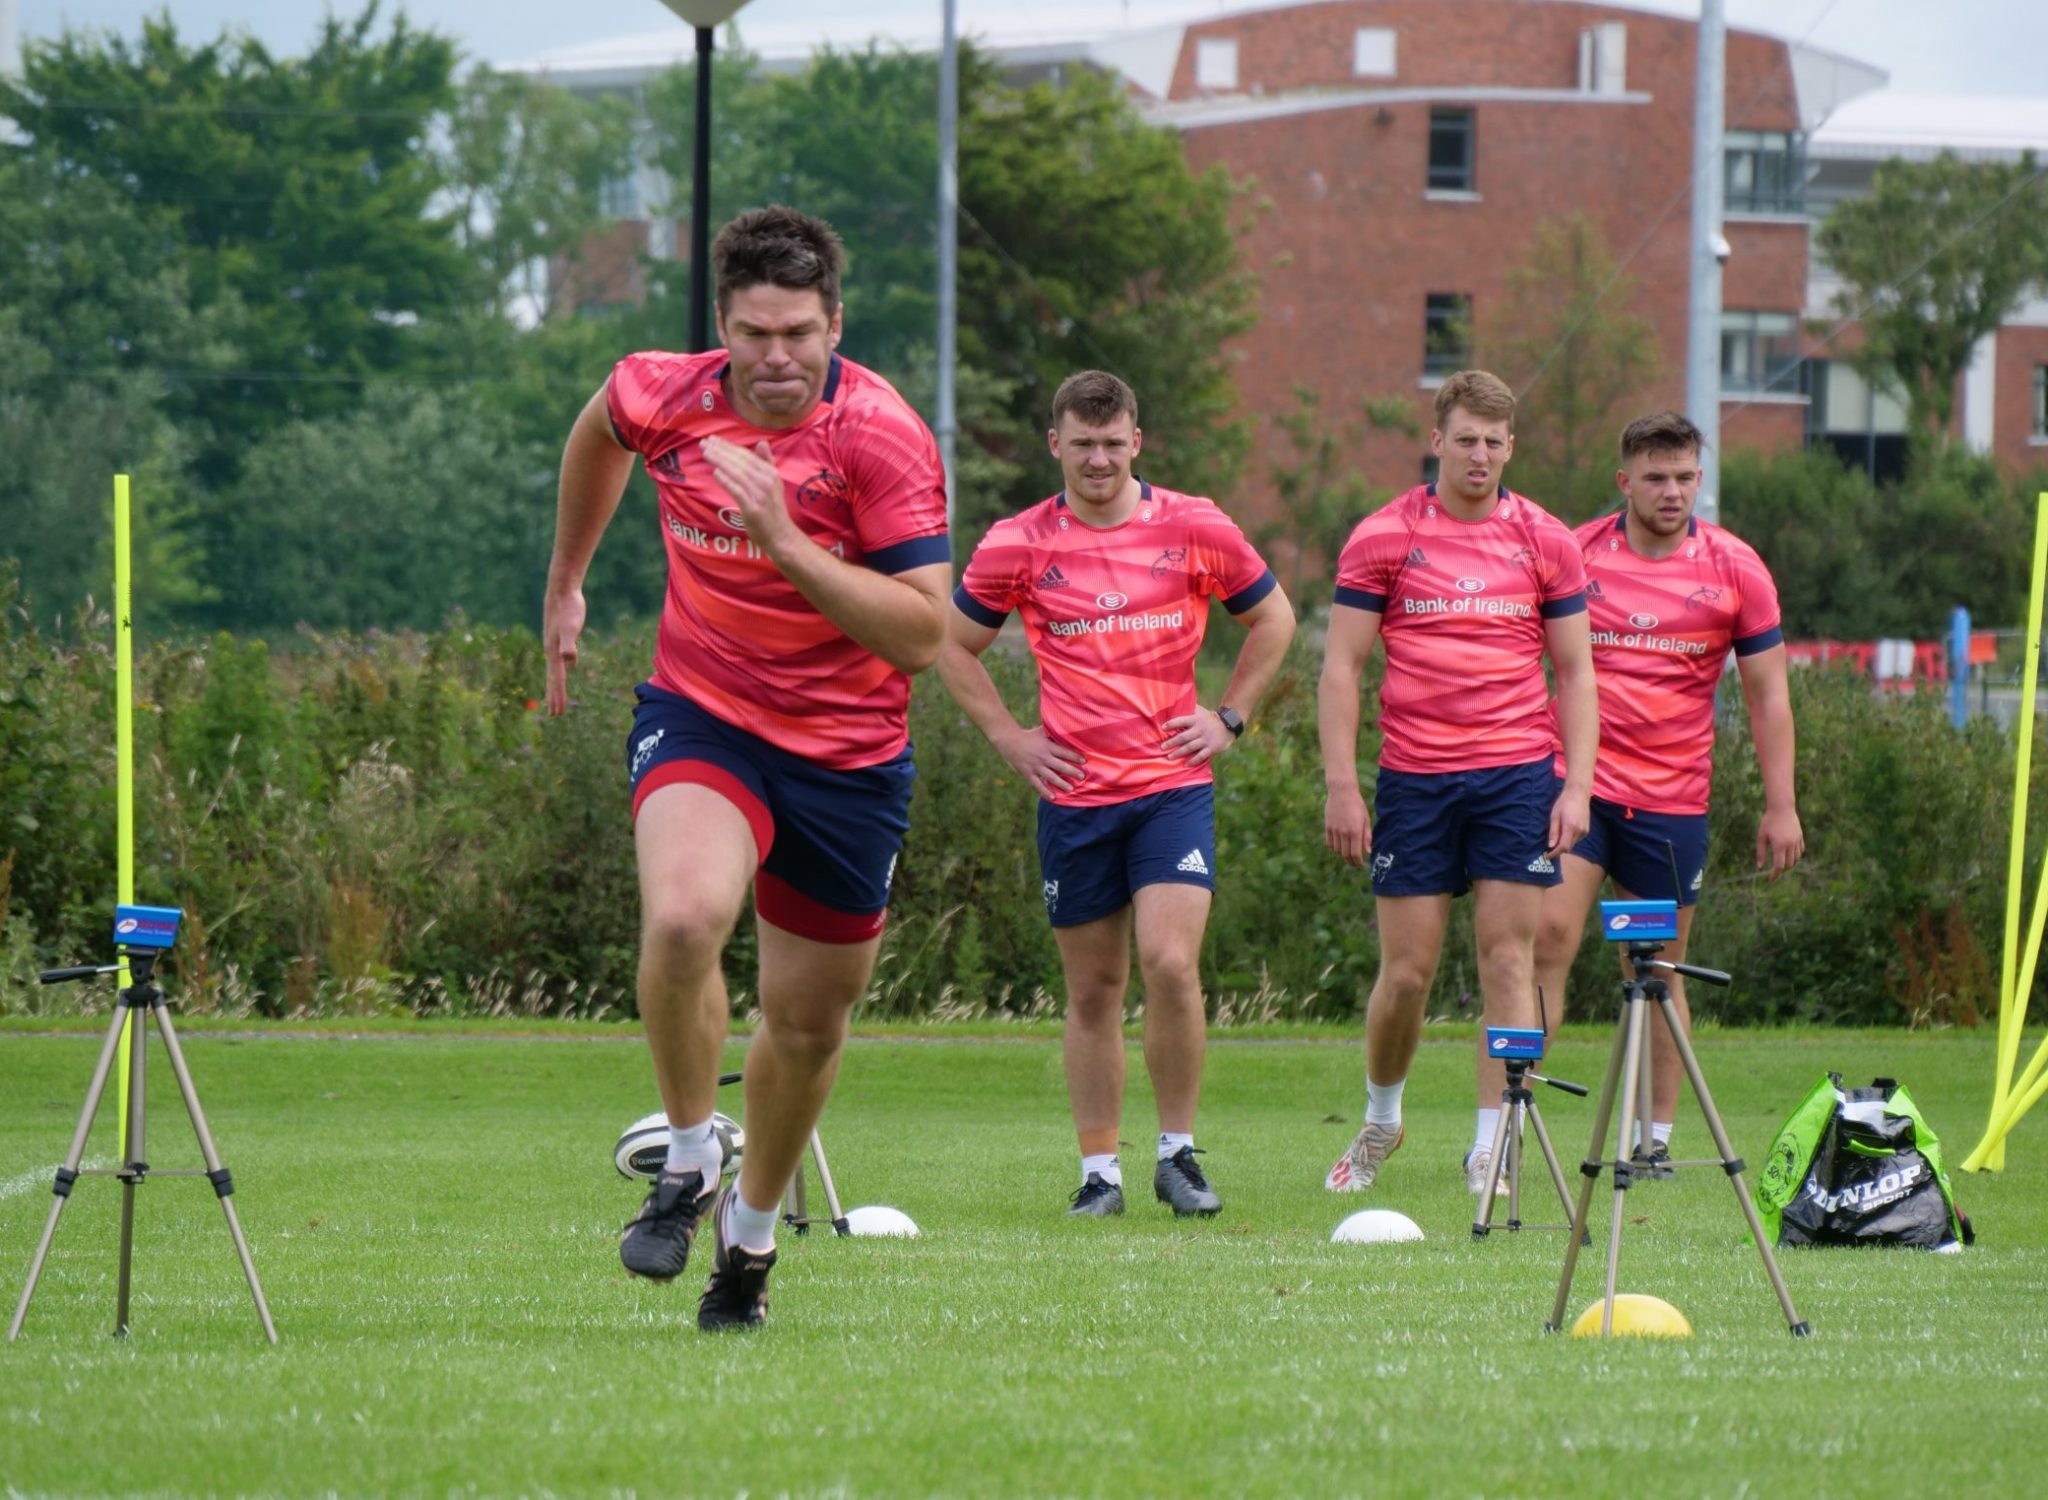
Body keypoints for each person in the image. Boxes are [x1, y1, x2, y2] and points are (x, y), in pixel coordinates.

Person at [542, 207, 950, 1330]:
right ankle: (684, 1158)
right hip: (704, 714)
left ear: (835, 325)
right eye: (755, 333)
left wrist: (785, 539)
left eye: (800, 334)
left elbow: (921, 635)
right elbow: (595, 434)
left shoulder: (882, 437)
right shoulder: (662, 392)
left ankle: (749, 1247)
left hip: (848, 759)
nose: (777, 358)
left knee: (807, 1024)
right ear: (721, 324)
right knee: (682, 920)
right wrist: (567, 579)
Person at [938, 370, 1295, 1218]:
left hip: (1172, 789)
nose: (1097, 458)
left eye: (1112, 442)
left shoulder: (1194, 525)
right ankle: (1101, 1174)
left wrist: (1231, 717)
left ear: (1137, 442)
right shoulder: (1017, 542)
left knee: (1171, 965)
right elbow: (950, 646)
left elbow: (1275, 619)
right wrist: (1008, 735)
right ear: (1054, 444)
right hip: (1075, 796)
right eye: (1081, 443)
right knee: (1094, 992)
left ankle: (1178, 1157)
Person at [1500, 410, 1802, 1177]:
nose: (1672, 492)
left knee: (1658, 971)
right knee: (1550, 942)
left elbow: (1767, 695)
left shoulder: (1736, 568)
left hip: (1671, 806)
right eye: (1656, 478)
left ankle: (1655, 1141)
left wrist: (1781, 803)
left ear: (1700, 478)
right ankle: (1510, 1122)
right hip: (1579, 794)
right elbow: (1515, 652)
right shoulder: (1575, 553)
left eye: (1685, 478)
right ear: (1624, 481)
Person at [1318, 369, 1597, 1193]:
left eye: (1494, 442)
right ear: (1436, 440)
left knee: (1510, 959)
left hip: (1517, 777)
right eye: (1465, 439)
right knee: (1406, 973)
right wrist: (1342, 784)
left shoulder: (1546, 539)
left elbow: (1577, 673)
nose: (1479, 455)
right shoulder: (1383, 535)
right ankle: (1380, 1121)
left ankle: (1492, 1146)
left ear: (1512, 447)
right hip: (1415, 779)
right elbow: (1340, 667)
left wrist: (1575, 785)